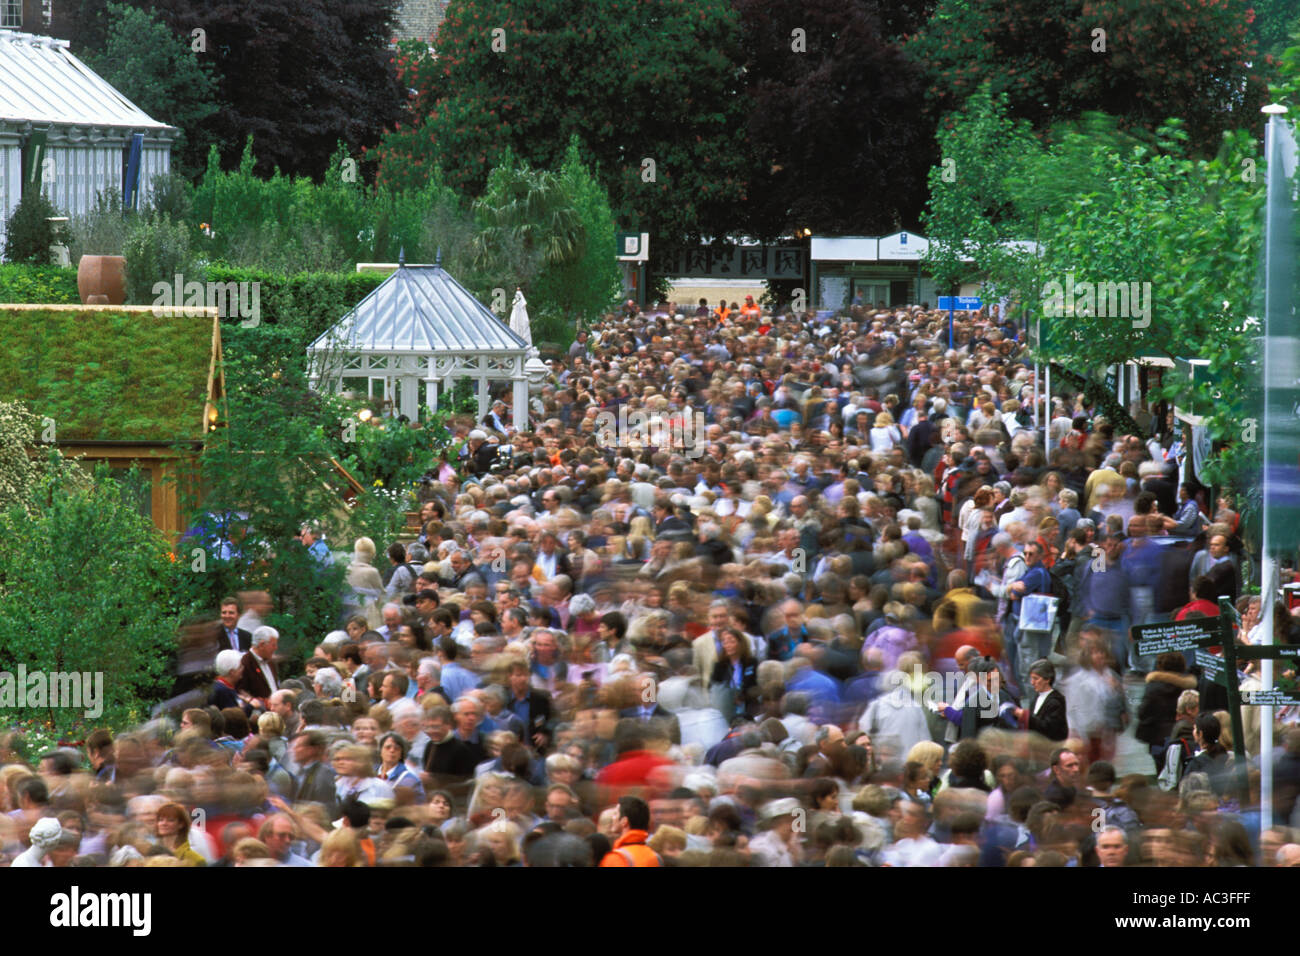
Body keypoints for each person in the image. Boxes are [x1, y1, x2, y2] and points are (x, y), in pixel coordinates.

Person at [597, 796, 661, 867]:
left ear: (624, 821)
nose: (613, 818)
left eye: (615, 814)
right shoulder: (656, 857)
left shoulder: (616, 858)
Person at [1014, 659, 1067, 741]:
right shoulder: (1037, 697)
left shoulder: (1055, 702)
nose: (1032, 682)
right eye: (1031, 678)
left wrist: (1025, 716)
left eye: (1036, 678)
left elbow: (1048, 729)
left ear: (1047, 679)